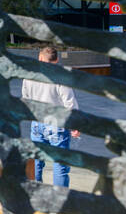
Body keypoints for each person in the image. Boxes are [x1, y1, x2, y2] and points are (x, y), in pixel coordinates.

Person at [21, 46, 81, 187]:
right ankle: (59, 199)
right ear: (57, 60)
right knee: (60, 167)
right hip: (57, 126)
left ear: (40, 58)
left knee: (37, 163)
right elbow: (70, 104)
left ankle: (35, 192)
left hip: (37, 124)